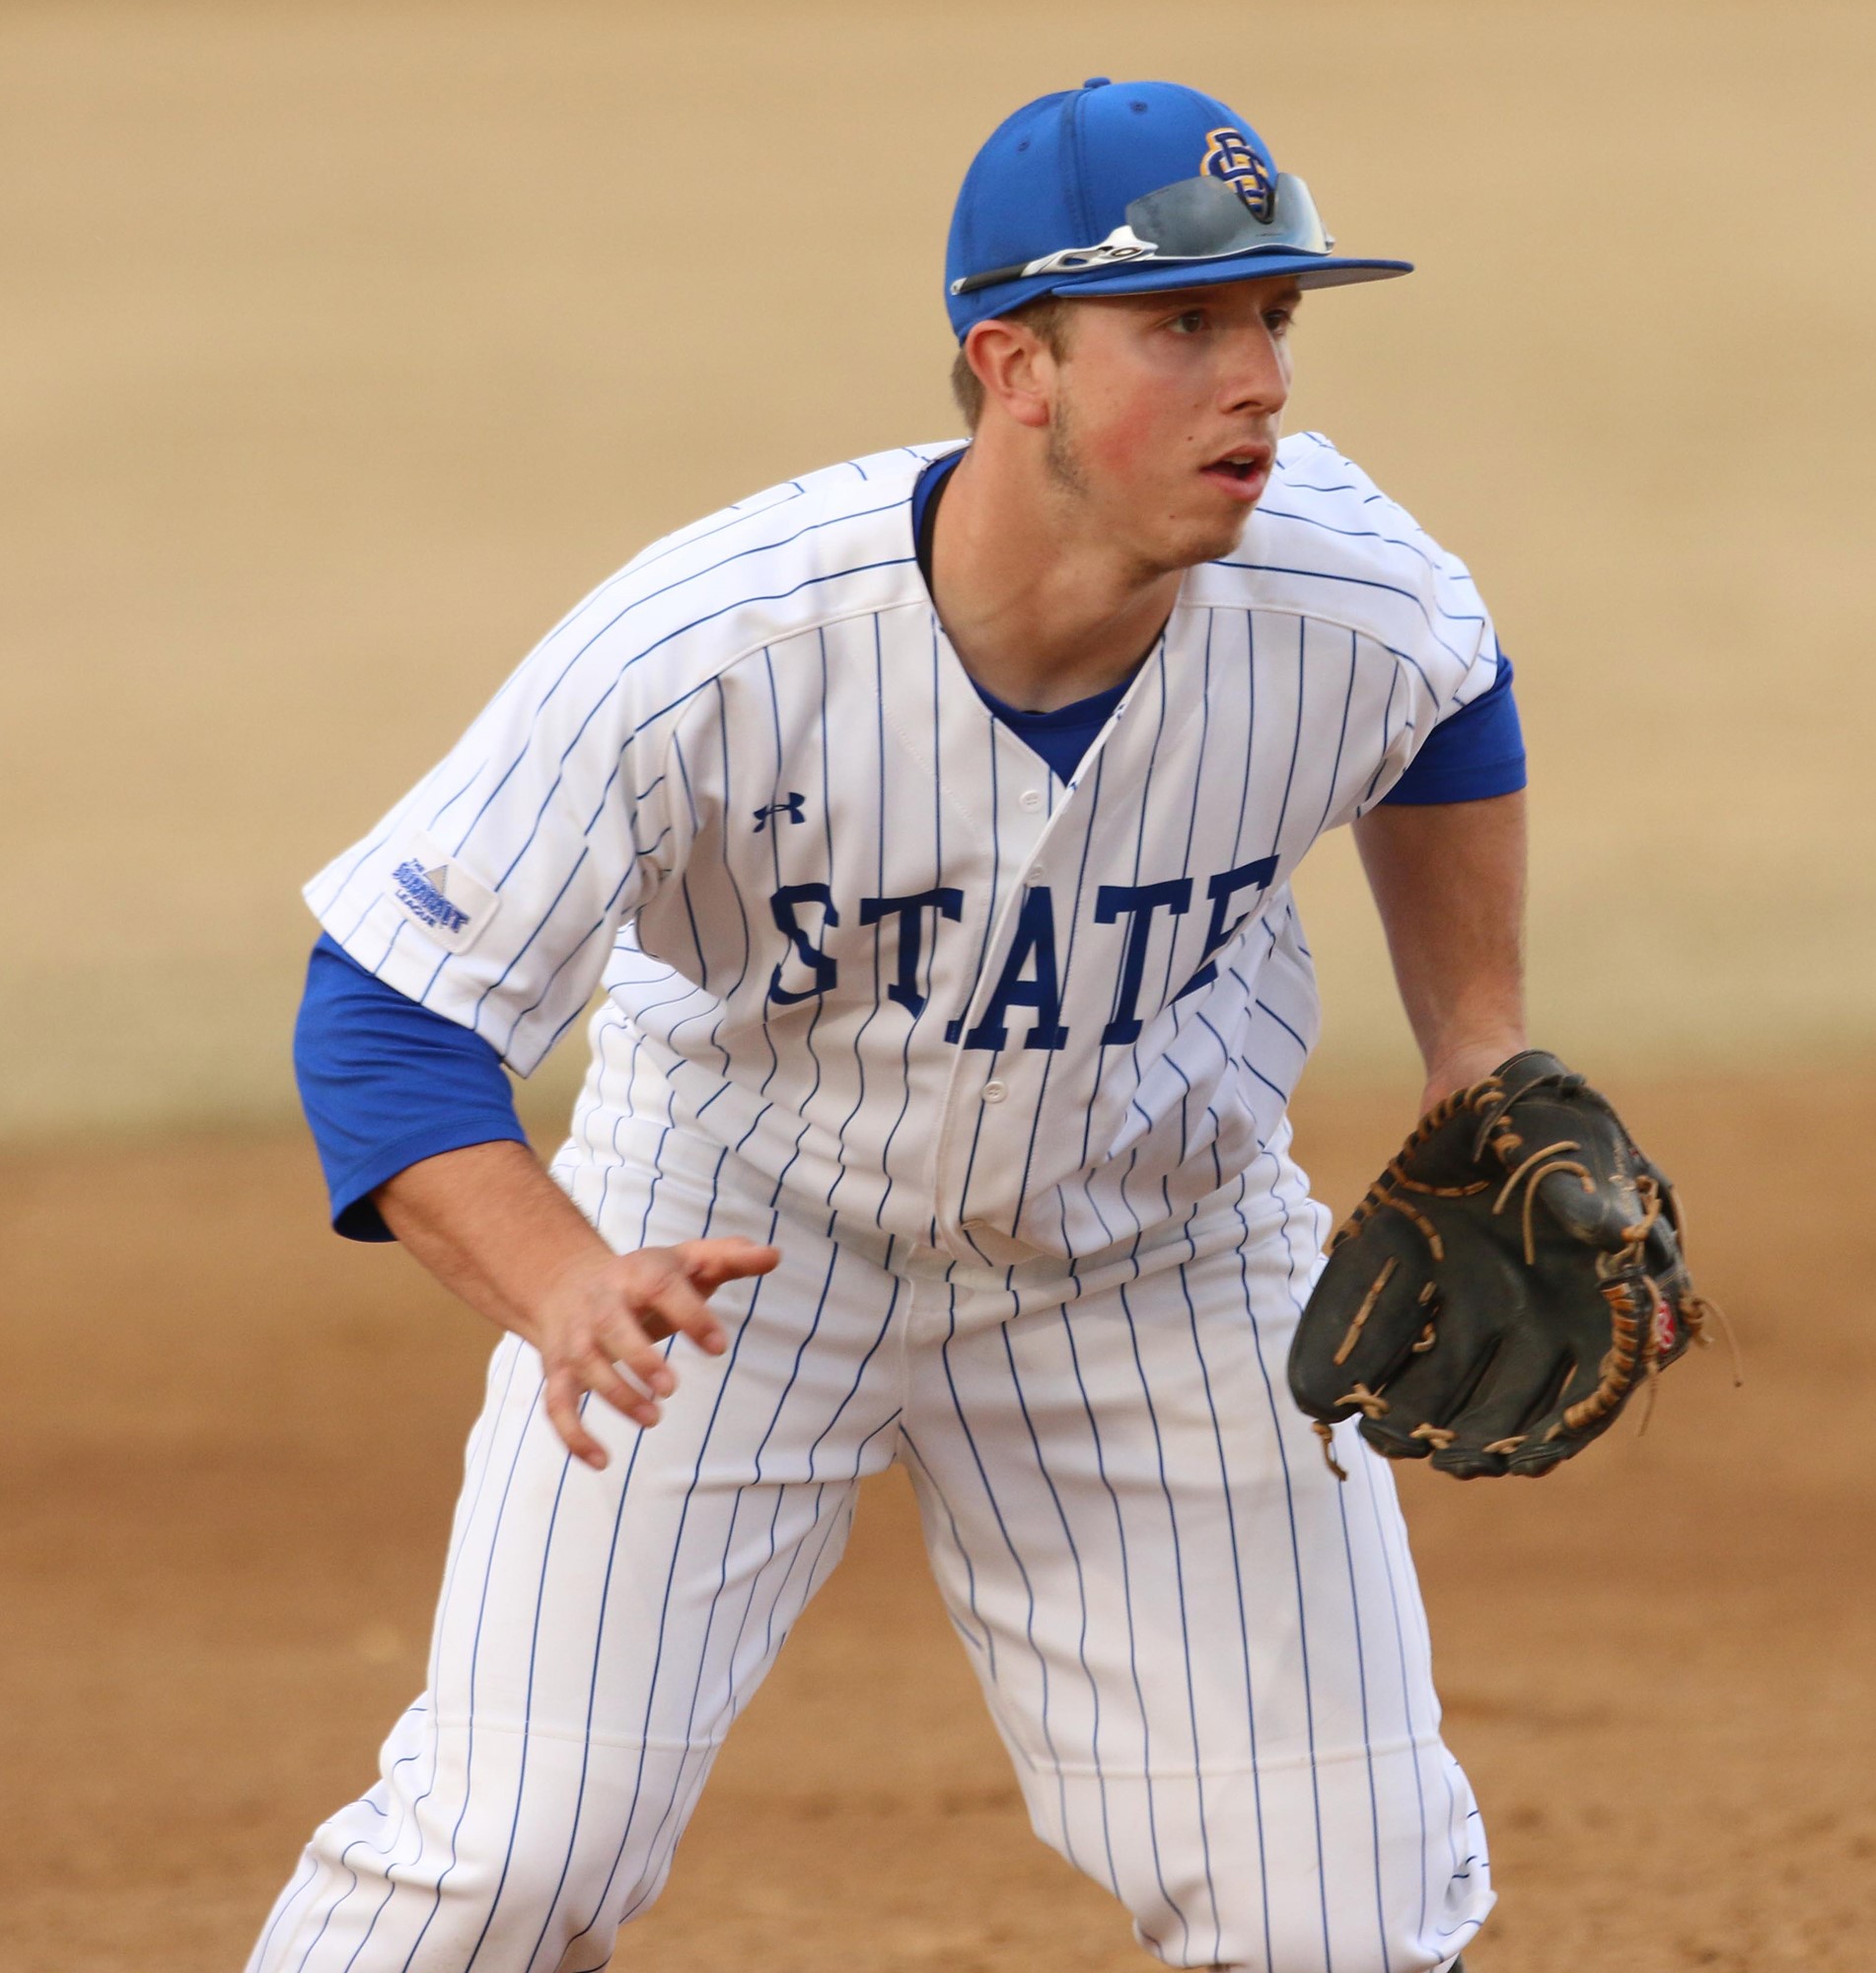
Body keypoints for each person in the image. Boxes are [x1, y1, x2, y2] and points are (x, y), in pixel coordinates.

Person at [252, 77, 1526, 1973]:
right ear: (1010, 362)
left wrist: (1475, 1048)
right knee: (507, 1860)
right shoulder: (709, 651)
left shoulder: (1349, 588)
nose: (1256, 374)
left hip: (1156, 1252)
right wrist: (558, 1283)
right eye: (1184, 324)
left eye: (1273, 317)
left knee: (1334, 1918)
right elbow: (383, 1008)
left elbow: (1447, 706)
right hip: (726, 1260)